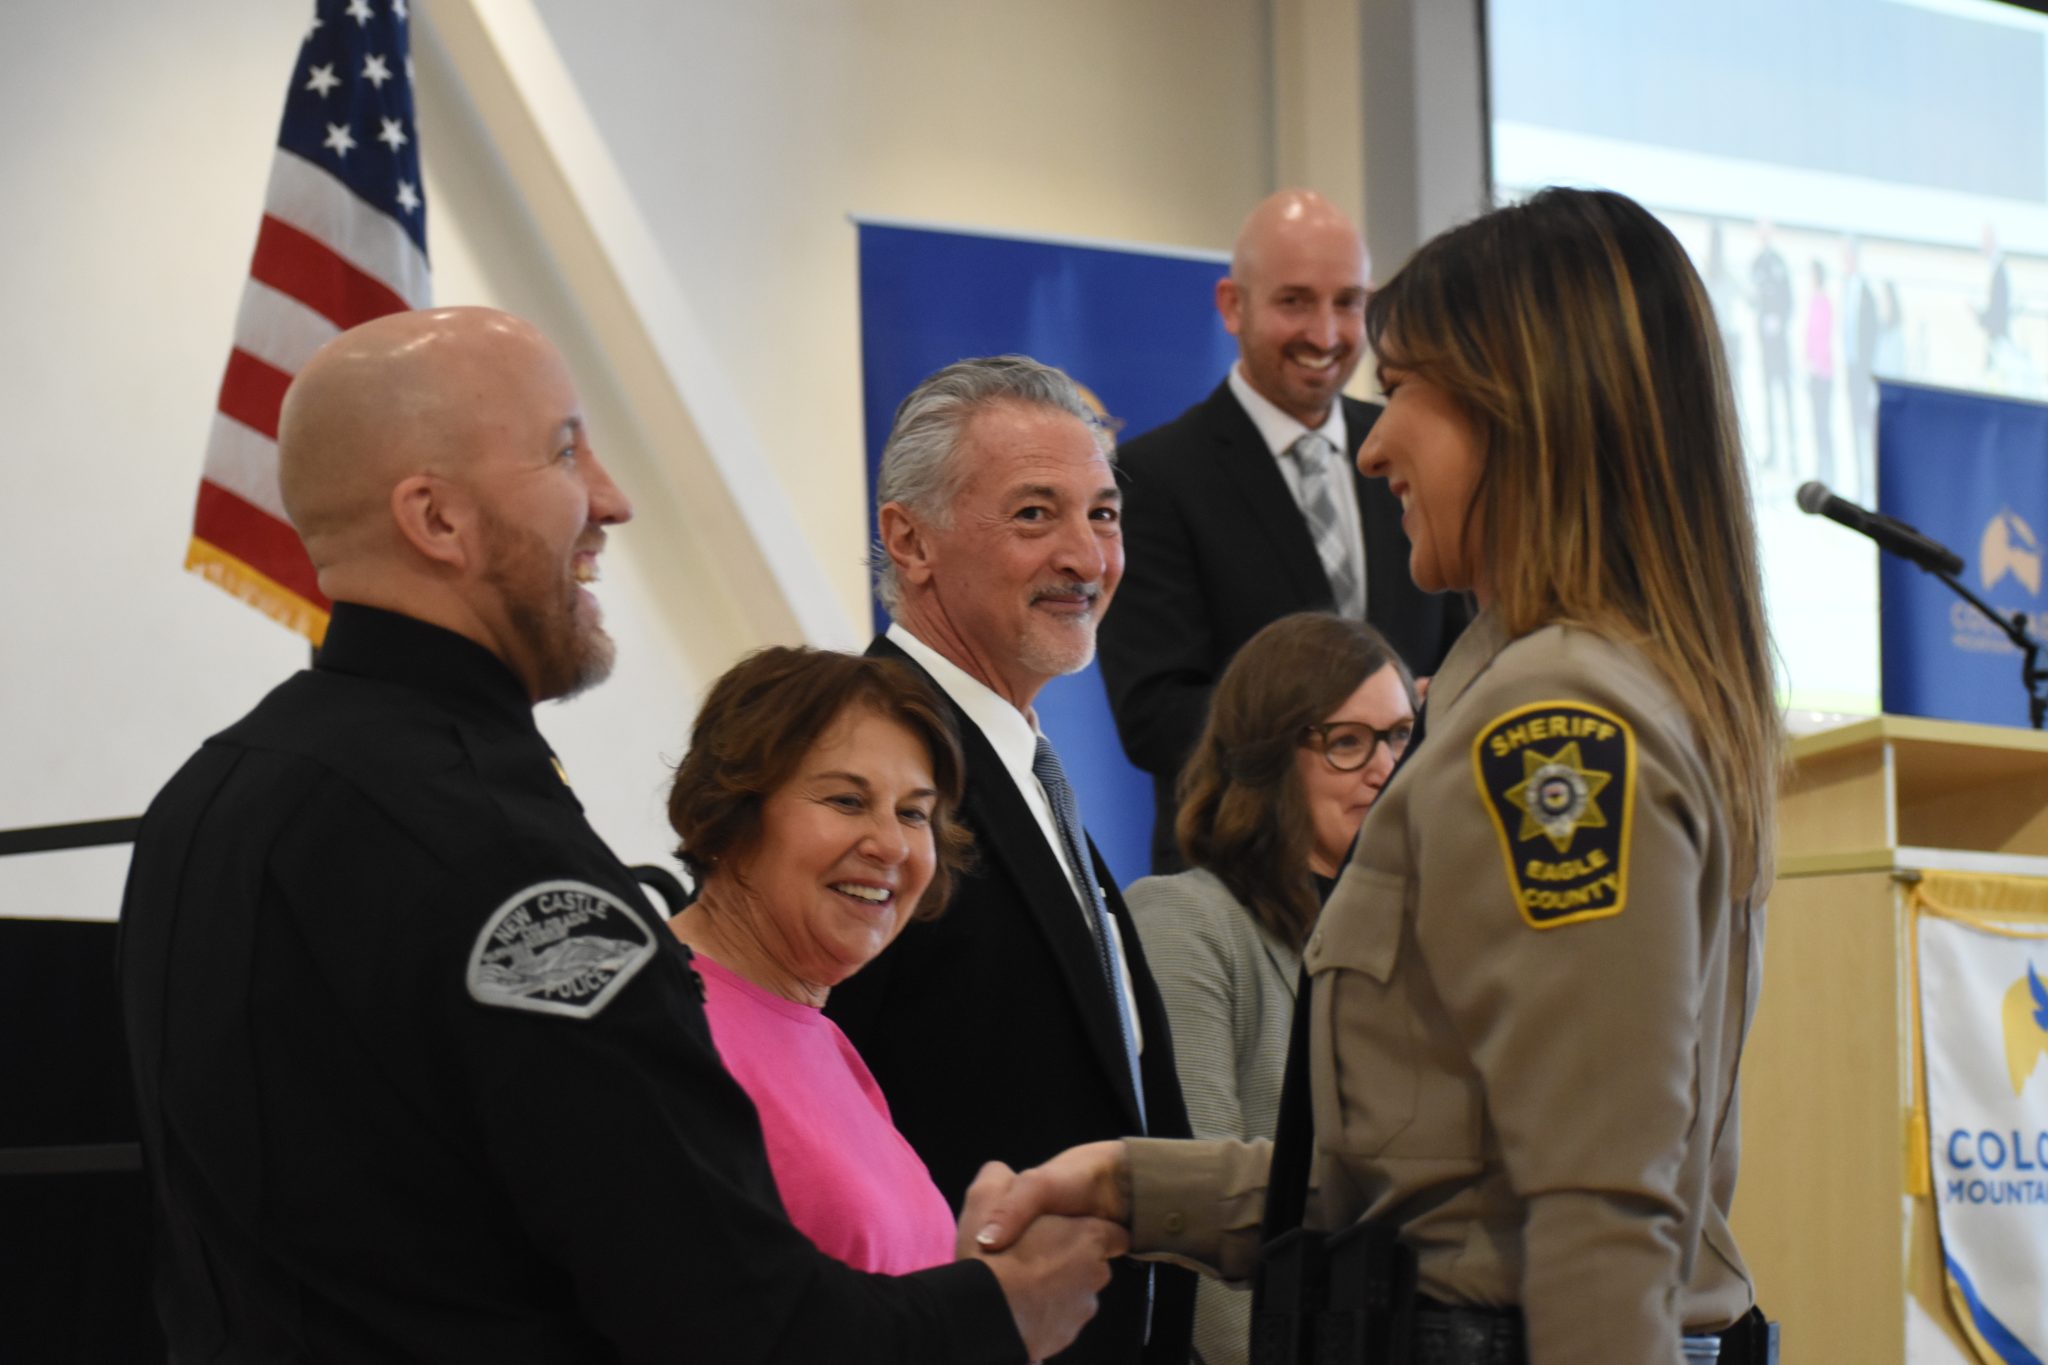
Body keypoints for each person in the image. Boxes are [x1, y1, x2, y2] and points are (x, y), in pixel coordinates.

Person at [117, 307, 1122, 1364]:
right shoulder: (504, 862)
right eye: (564, 450)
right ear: (436, 520)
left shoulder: (209, 798)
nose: (612, 497)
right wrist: (999, 1309)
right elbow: (729, 1319)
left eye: (914, 811)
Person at [979, 187, 1783, 1365]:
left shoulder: (1557, 721)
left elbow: (1594, 1217)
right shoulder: (1522, 683)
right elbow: (1438, 1180)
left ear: (1524, 419)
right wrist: (1138, 1190)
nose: (1369, 441)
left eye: (1404, 388)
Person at [825, 354, 1198, 1365]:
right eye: (1035, 515)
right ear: (909, 540)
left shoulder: (1014, 754)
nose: (1085, 557)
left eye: (1104, 514)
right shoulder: (862, 760)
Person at [1098, 189, 1469, 874]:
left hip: (1417, 867)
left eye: (1349, 302)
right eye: (1295, 301)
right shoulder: (1152, 477)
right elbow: (1154, 716)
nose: (1326, 335)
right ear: (1232, 305)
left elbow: (1461, 652)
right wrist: (1353, 724)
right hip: (1243, 883)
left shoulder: (1416, 449)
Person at [1125, 611, 1415, 1365]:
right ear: (1266, 756)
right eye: (1348, 742)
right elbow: (1195, 1215)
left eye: (1400, 737)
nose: (1385, 768)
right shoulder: (1185, 920)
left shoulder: (1421, 935)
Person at [666, 646, 974, 1274]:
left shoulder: (831, 1045)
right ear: (731, 812)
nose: (891, 845)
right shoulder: (662, 1020)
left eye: (913, 813)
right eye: (846, 801)